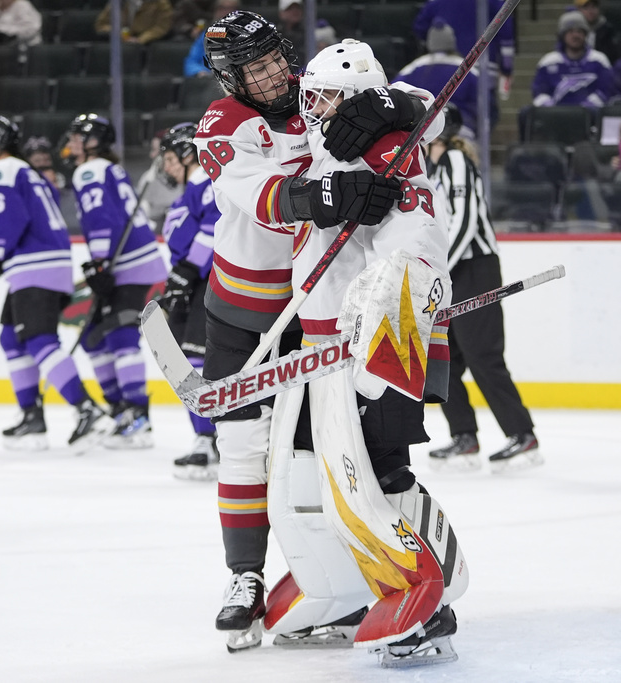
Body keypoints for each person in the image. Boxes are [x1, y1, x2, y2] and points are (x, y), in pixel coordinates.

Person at [198, 10, 442, 653]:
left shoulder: (312, 94)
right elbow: (262, 197)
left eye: (278, 58)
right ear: (233, 77)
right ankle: (244, 578)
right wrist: (326, 196)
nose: (276, 74)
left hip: (318, 313)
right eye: (258, 68)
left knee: (328, 457)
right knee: (247, 448)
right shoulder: (224, 125)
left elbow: (427, 113)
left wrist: (388, 104)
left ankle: (351, 580)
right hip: (248, 311)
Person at [294, 39, 466, 662]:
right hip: (383, 311)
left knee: (365, 461)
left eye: (324, 96)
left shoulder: (379, 137)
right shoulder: (365, 133)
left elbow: (425, 114)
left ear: (356, 93)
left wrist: (388, 103)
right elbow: (424, 111)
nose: (313, 107)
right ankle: (429, 585)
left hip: (393, 310)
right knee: (378, 461)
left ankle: (422, 596)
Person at [0, 115, 114, 451]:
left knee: (38, 339)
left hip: (35, 267)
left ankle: (86, 408)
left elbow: (10, 219)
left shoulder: (0, 170)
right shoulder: (25, 170)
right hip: (45, 266)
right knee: (11, 337)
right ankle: (31, 418)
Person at [425, 104, 542, 472]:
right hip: (456, 272)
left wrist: (441, 269)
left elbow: (464, 222)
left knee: (482, 356)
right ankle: (464, 436)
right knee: (442, 359)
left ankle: (522, 435)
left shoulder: (455, 160)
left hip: (473, 269)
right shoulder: (439, 169)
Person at [68, 112, 168, 448]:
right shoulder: (108, 168)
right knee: (93, 339)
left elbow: (102, 219)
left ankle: (137, 417)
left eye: (78, 136)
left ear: (93, 141)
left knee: (121, 337)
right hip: (133, 263)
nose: (72, 143)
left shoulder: (89, 170)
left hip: (131, 267)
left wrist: (98, 263)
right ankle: (119, 410)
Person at [156, 122, 220, 479]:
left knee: (195, 360)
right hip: (194, 281)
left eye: (169, 158)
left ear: (186, 154)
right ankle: (205, 437)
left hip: (207, 282)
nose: (166, 167)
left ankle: (208, 439)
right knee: (187, 359)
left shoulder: (202, 181)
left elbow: (214, 229)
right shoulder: (189, 191)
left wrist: (187, 269)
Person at [394, 19, 496, 141]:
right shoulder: (468, 68)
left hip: (423, 132)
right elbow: (488, 103)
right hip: (461, 130)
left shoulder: (413, 68)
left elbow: (395, 93)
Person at [414, 0, 515, 100]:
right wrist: (506, 67)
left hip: (441, 71)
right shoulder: (492, 2)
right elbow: (506, 34)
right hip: (482, 69)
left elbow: (420, 28)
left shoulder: (435, 3)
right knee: (482, 107)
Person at [530, 10, 613, 111]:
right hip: (555, 116)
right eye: (570, 31)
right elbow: (539, 91)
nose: (575, 35)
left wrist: (587, 108)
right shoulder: (548, 62)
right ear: (562, 35)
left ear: (585, 34)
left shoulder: (599, 60)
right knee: (525, 113)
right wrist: (550, 108)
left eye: (579, 31)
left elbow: (606, 90)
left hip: (590, 115)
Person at [94, 0, 172, 44]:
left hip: (147, 45)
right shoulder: (118, 2)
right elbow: (101, 25)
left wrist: (141, 40)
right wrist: (122, 36)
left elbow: (161, 27)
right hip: (120, 44)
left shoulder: (160, 4)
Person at [573, 0, 621, 65]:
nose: (590, 11)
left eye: (594, 7)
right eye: (586, 7)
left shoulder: (608, 31)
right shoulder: (571, 32)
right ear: (578, 9)